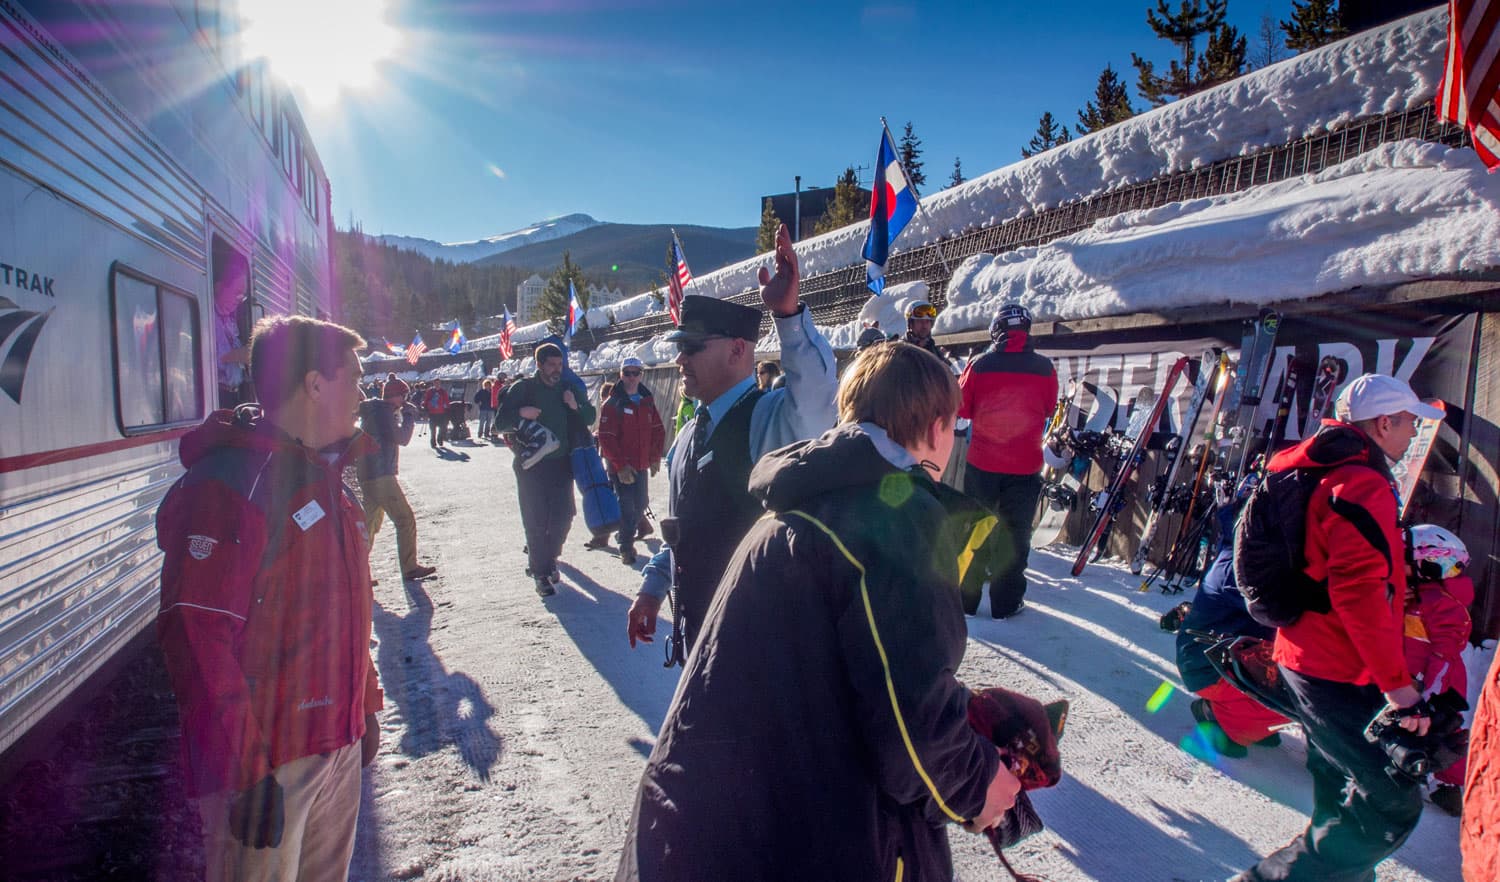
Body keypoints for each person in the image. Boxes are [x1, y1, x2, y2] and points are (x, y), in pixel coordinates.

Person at [617, 341, 1020, 882]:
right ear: (937, 427)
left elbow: (838, 672)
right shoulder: (896, 514)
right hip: (787, 844)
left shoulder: (796, 503)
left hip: (707, 833)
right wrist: (980, 784)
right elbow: (910, 727)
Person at [155, 315, 383, 882]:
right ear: (314, 384)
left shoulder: (324, 474)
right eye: (354, 377)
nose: (363, 393)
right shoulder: (231, 482)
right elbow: (195, 632)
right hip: (269, 764)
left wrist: (367, 703)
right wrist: (244, 769)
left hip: (336, 744)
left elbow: (341, 607)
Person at [1232, 373, 1443, 882]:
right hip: (1336, 665)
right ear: (1384, 422)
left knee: (1337, 782)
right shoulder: (1361, 484)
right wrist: (1399, 687)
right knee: (1390, 803)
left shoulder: (1322, 468)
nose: (1415, 433)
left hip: (1309, 653)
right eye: (1411, 422)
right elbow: (1359, 594)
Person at [625, 223, 838, 657]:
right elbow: (683, 533)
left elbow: (816, 401)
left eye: (693, 347)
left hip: (759, 650)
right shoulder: (687, 435)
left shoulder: (767, 419)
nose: (680, 358)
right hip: (701, 638)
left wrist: (789, 318)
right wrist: (654, 585)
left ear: (739, 350)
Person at [955, 304, 1058, 618]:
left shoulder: (980, 364)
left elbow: (962, 408)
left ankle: (966, 600)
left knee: (975, 528)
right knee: (1015, 534)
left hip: (983, 462)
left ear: (995, 330)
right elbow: (1049, 407)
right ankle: (1006, 603)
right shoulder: (1045, 368)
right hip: (1025, 466)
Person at [496, 343, 596, 596]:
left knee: (564, 516)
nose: (556, 370)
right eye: (551, 365)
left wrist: (574, 406)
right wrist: (521, 412)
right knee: (536, 519)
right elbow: (500, 423)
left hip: (562, 463)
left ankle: (548, 559)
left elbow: (590, 417)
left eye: (559, 365)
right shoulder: (524, 388)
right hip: (531, 465)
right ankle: (541, 572)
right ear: (538, 364)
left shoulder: (567, 388)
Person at [1174, 546, 1290, 758]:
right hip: (1209, 662)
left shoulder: (1272, 551)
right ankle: (1220, 718)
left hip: (1244, 657)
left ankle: (1252, 721)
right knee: (1309, 685)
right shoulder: (1244, 559)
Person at [1400, 523, 1473, 816]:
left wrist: (1429, 688)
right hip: (1409, 676)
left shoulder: (1441, 604)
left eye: (1405, 562)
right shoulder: (1416, 596)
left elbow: (1445, 652)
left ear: (1428, 565)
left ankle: (1449, 786)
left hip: (1439, 681)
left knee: (1442, 728)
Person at [357, 377, 437, 583]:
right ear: (397, 396)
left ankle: (357, 573)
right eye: (404, 396)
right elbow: (402, 438)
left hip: (368, 474)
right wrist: (409, 417)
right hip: (382, 474)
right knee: (405, 519)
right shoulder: (384, 413)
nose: (405, 401)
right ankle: (409, 567)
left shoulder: (373, 411)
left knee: (369, 525)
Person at [598, 357, 665, 565]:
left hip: (641, 463)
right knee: (627, 506)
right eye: (627, 373)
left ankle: (623, 535)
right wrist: (619, 466)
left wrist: (654, 458)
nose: (632, 377)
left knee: (641, 503)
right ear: (621, 375)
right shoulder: (613, 403)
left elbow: (658, 430)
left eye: (636, 373)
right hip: (621, 467)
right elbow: (606, 437)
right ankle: (626, 547)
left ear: (641, 375)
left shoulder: (646, 400)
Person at [422, 382, 450, 449]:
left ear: (440, 384)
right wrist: (425, 408)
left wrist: (447, 408)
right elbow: (426, 400)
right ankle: (433, 442)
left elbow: (446, 400)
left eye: (438, 383)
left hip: (442, 413)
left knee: (443, 428)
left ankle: (440, 439)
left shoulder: (443, 391)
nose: (437, 385)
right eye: (435, 383)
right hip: (432, 413)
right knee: (432, 429)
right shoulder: (430, 391)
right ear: (434, 384)